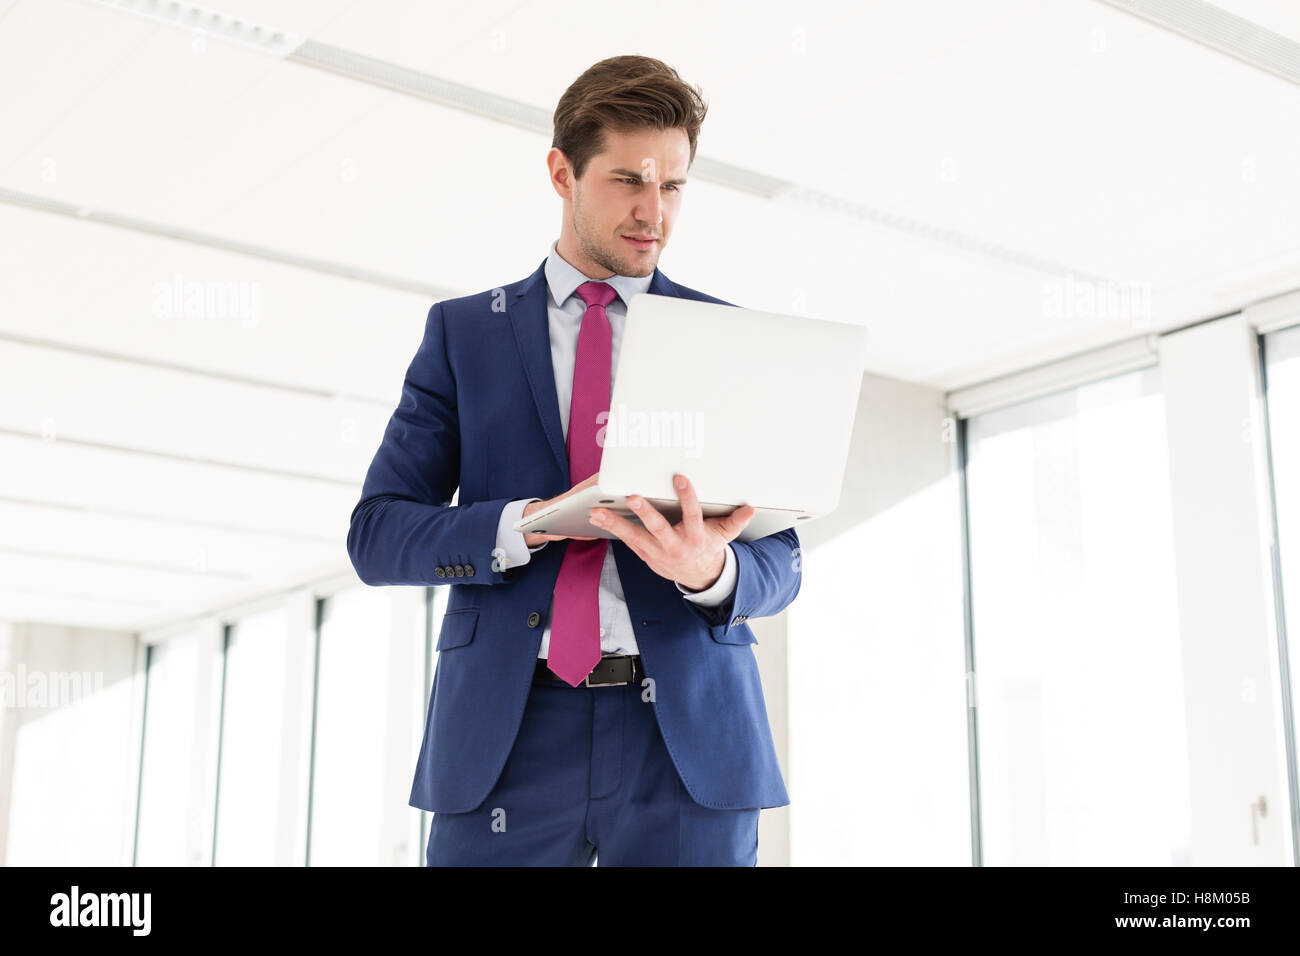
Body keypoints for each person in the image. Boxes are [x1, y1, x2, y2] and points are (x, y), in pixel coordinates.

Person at [347, 55, 801, 866]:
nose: (651, 212)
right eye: (627, 180)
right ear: (562, 172)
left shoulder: (727, 338)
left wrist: (711, 572)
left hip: (687, 740)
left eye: (673, 188)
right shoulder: (466, 335)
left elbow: (783, 563)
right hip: (508, 734)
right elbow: (378, 537)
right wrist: (523, 526)